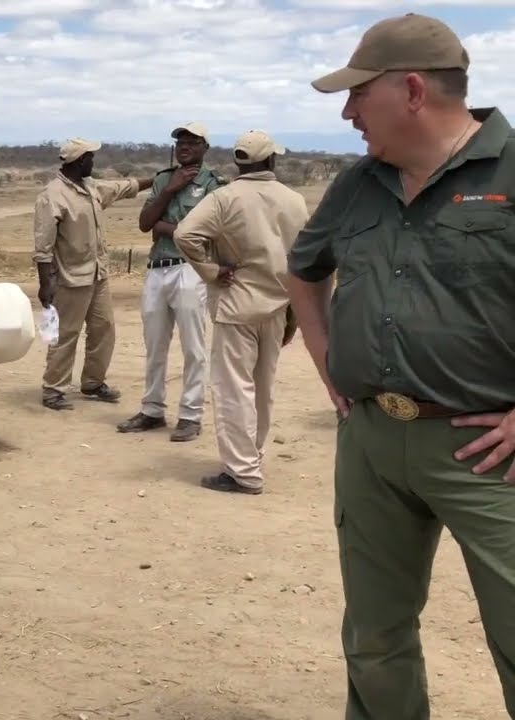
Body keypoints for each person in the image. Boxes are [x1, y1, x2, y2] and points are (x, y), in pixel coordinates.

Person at [286, 12, 515, 718]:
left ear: (413, 90)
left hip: (488, 455)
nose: (348, 111)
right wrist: (332, 371)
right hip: (373, 444)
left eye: (359, 94)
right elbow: (304, 273)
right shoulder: (358, 184)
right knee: (376, 638)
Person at [172, 129, 309, 495]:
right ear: (272, 159)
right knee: (263, 389)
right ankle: (254, 457)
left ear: (239, 162)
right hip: (278, 304)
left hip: (236, 304)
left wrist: (213, 271)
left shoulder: (224, 197)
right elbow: (303, 257)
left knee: (234, 389)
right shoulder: (294, 200)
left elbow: (185, 235)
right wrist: (296, 309)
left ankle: (242, 471)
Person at [117, 122, 227, 442]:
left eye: (192, 142)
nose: (184, 147)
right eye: (180, 142)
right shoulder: (164, 179)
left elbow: (208, 231)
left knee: (193, 347)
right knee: (154, 345)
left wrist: (169, 227)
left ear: (205, 147)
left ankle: (191, 415)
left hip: (191, 270)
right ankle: (152, 409)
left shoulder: (214, 184)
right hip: (157, 267)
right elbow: (144, 224)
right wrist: (170, 190)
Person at [33, 138, 153, 411]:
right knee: (66, 334)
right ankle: (53, 390)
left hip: (98, 275)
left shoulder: (92, 188)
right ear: (79, 161)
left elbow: (124, 188)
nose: (93, 162)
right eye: (90, 158)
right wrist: (45, 283)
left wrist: (159, 179)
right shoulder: (52, 197)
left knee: (104, 329)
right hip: (70, 279)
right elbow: (43, 247)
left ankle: (93, 383)